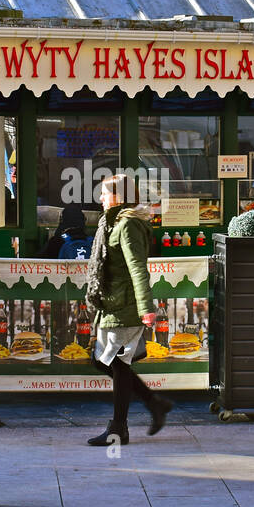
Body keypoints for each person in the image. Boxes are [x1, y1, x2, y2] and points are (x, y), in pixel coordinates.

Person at [84, 174, 173, 446]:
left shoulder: (127, 225)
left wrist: (147, 308)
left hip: (125, 306)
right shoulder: (110, 223)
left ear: (119, 197)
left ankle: (119, 427)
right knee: (105, 361)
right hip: (112, 304)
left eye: (104, 193)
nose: (100, 198)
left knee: (115, 363)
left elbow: (137, 268)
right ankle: (153, 402)